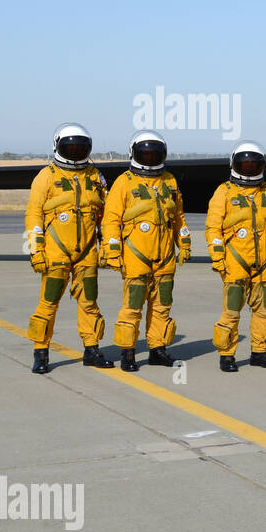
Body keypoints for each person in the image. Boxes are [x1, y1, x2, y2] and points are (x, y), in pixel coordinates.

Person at [25, 122, 113, 373]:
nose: (75, 153)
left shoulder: (95, 177)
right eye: (70, 148)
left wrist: (107, 245)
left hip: (87, 252)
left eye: (80, 148)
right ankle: (40, 353)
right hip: (55, 252)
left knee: (89, 303)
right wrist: (36, 249)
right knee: (48, 303)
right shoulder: (47, 177)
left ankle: (91, 349)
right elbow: (33, 216)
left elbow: (107, 215)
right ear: (57, 147)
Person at [101, 130, 191, 372]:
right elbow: (110, 220)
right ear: (134, 154)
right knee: (133, 306)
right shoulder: (124, 182)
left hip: (165, 257)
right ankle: (128, 352)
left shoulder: (169, 181)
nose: (150, 159)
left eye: (155, 154)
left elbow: (178, 217)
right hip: (135, 256)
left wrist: (184, 242)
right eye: (145, 154)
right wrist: (112, 251)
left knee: (162, 305)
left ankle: (158, 349)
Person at [206, 141, 266, 372]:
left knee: (264, 312)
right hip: (235, 263)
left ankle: (259, 352)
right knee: (231, 312)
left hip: (264, 264)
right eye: (245, 165)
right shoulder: (224, 192)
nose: (250, 169)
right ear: (234, 165)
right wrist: (217, 256)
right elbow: (213, 228)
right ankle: (227, 355)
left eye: (254, 165)